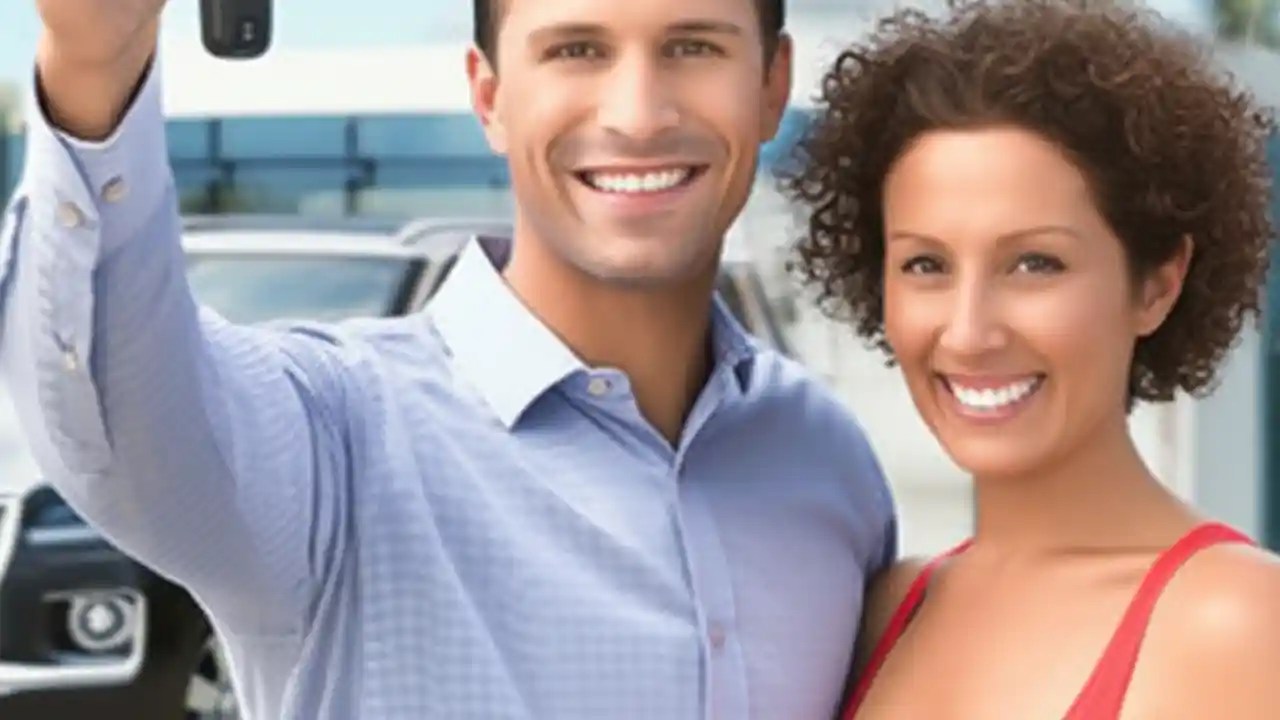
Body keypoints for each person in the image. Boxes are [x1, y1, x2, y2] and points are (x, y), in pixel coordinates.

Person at [0, 0, 897, 718]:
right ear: (489, 95)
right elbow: (120, 418)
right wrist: (94, 66)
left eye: (694, 46)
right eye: (577, 49)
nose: (637, 115)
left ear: (772, 85)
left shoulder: (825, 458)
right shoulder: (337, 436)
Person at [780, 1, 1280, 717]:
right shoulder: (889, 608)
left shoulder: (1237, 623)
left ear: (1157, 284)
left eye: (1034, 263)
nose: (968, 331)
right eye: (926, 265)